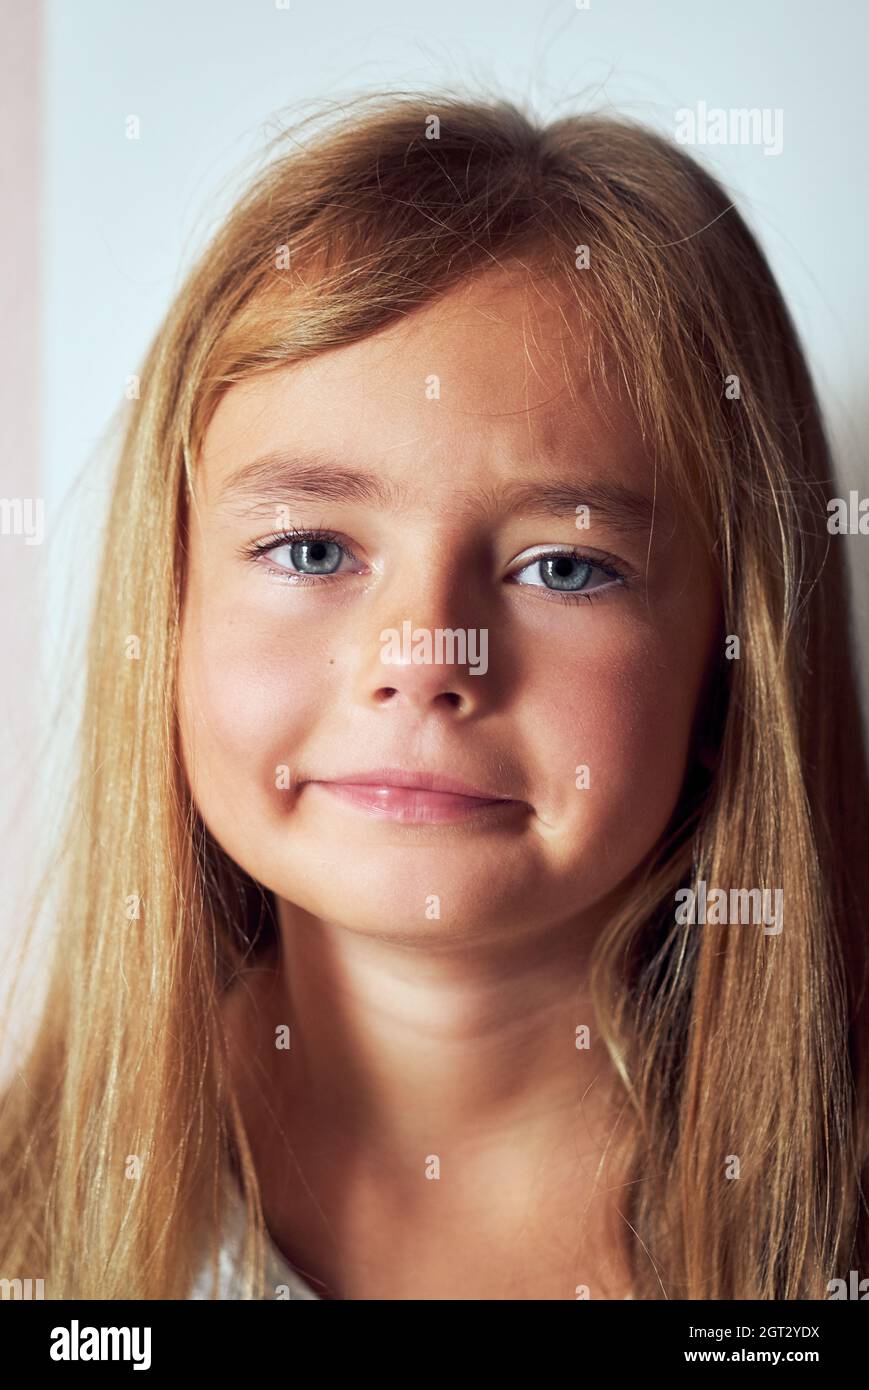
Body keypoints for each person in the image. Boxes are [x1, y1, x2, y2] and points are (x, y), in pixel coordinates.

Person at [1, 90, 867, 1300]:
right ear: (174, 609)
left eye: (563, 567)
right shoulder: (30, 1236)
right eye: (311, 549)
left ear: (729, 669)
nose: (425, 652)